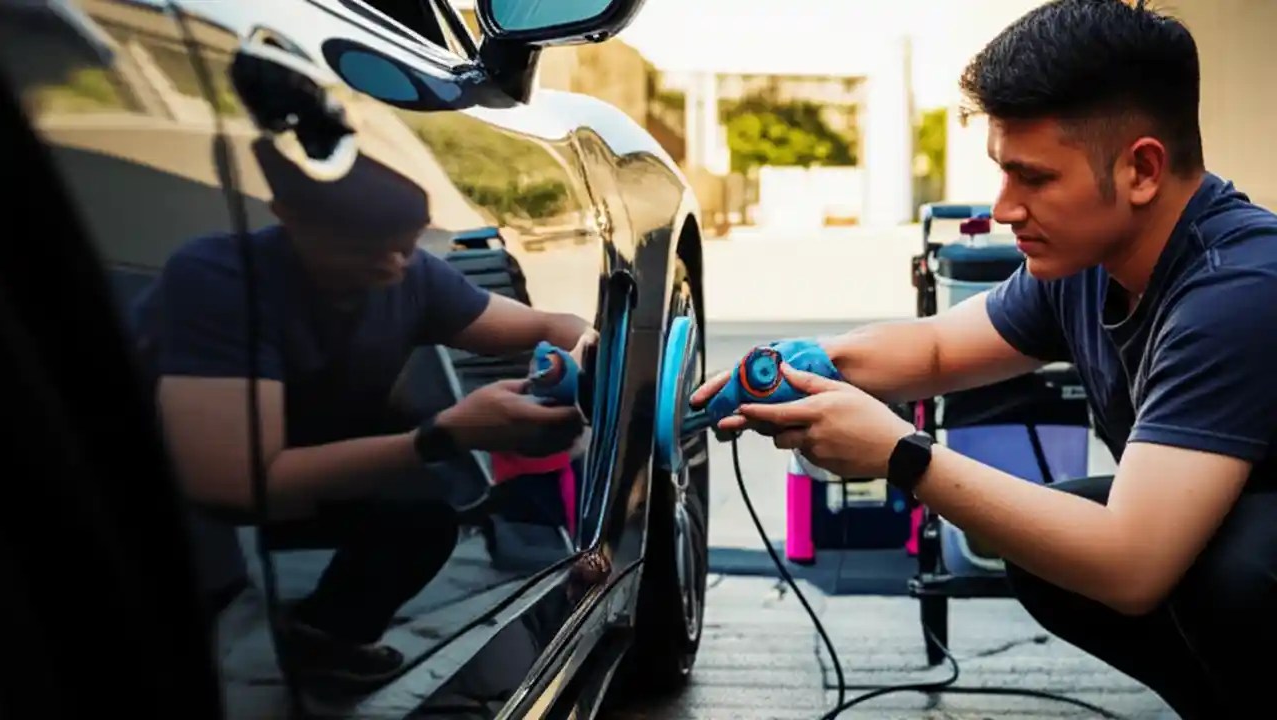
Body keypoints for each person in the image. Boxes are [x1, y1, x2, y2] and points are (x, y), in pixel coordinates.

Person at [694, 1, 1277, 717]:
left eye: (1032, 178)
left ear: (1142, 170)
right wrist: (805, 363)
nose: (1003, 209)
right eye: (1002, 173)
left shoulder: (1236, 291)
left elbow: (1130, 565)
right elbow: (940, 348)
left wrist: (899, 455)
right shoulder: (1090, 263)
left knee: (1226, 565)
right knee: (1048, 540)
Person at [131, 138, 596, 690]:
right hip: (180, 486)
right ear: (289, 219)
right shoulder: (219, 279)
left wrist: (575, 365)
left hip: (305, 460)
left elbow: (549, 325)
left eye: (406, 246)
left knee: (420, 518)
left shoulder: (408, 274)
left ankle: (324, 637)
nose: (393, 265)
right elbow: (234, 486)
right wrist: (446, 435)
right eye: (368, 249)